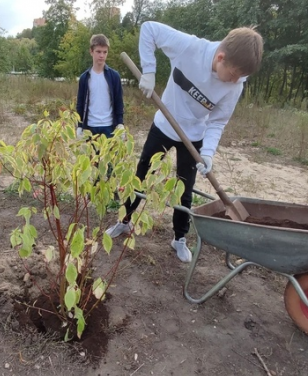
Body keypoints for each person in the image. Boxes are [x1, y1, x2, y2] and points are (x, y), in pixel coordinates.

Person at [106, 21, 263, 262]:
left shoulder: (235, 85)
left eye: (241, 78)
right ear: (220, 57)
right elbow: (149, 29)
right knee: (141, 175)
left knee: (185, 189)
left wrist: (208, 153)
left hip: (194, 137)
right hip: (163, 126)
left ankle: (179, 238)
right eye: (233, 75)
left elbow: (218, 121)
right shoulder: (190, 48)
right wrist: (149, 70)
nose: (234, 81)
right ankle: (124, 221)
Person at [76, 34, 125, 140]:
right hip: (90, 127)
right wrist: (79, 126)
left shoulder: (114, 76)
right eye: (98, 51)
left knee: (110, 156)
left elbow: (118, 101)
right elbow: (80, 104)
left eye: (104, 52)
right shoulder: (85, 78)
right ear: (91, 51)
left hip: (109, 127)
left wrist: (120, 124)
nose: (101, 55)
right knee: (91, 157)